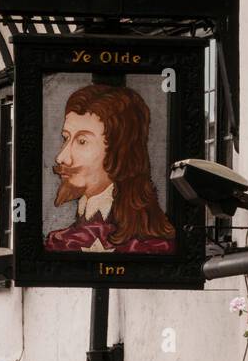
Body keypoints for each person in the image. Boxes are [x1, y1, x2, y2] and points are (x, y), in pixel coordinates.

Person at [45, 83, 176, 253]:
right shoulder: (59, 241)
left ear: (120, 152)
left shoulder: (151, 247)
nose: (62, 157)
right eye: (66, 138)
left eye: (82, 141)